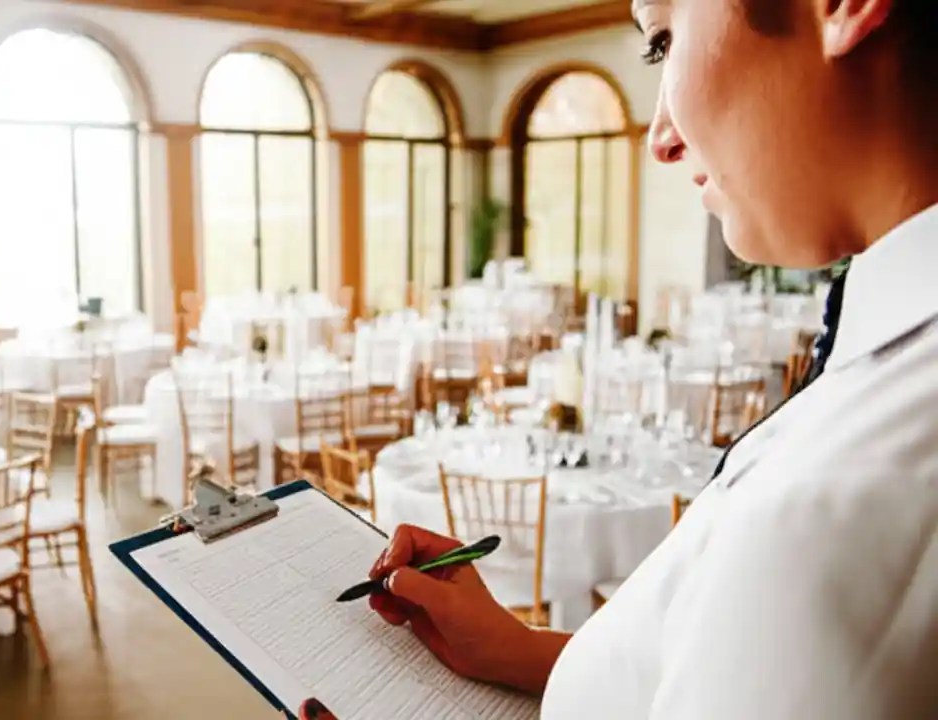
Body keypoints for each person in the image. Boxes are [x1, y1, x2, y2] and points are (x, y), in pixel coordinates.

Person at [301, 0, 938, 717]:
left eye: (662, 40)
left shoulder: (840, 503)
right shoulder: (873, 383)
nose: (660, 139)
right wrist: (514, 647)